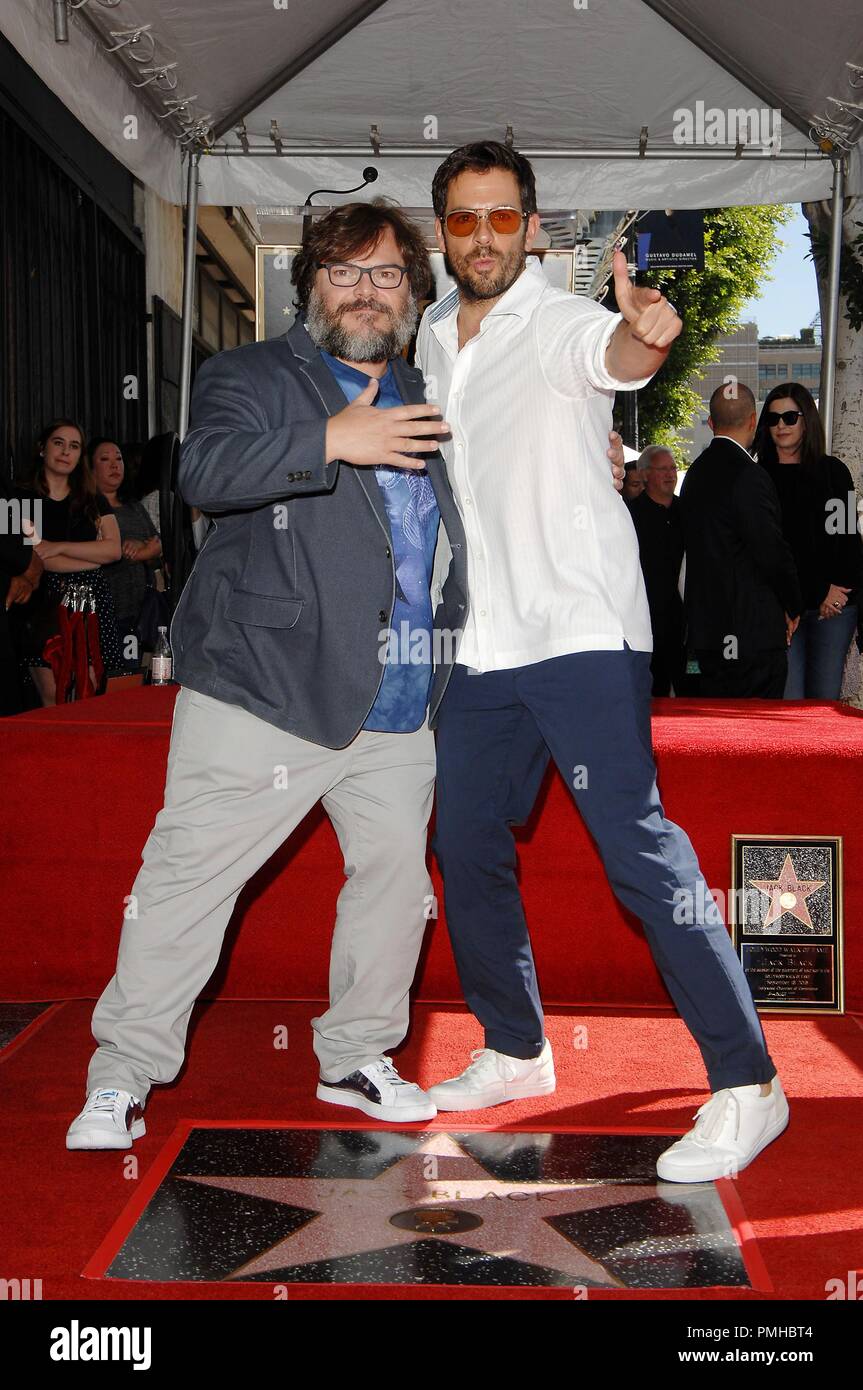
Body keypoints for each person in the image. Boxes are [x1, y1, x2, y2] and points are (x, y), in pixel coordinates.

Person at [66, 199, 627, 1151]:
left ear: (412, 293)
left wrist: (588, 464)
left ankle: (357, 1055)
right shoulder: (247, 373)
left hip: (402, 703)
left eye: (387, 276)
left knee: (393, 885)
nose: (366, 292)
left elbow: (491, 486)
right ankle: (121, 1073)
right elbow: (204, 474)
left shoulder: (427, 385)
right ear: (310, 286)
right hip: (264, 690)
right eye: (344, 273)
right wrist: (330, 439)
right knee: (186, 885)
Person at [417, 141, 790, 1184]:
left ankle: (748, 1080)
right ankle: (514, 1046)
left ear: (530, 228)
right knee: (462, 838)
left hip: (578, 630)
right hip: (483, 643)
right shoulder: (434, 336)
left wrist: (642, 338)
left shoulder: (560, 323)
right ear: (440, 229)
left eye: (501, 218)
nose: (483, 237)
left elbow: (613, 358)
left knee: (637, 851)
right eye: (461, 219)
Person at [680, 384, 802, 698]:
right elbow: (771, 550)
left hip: (705, 636)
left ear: (710, 424)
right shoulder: (750, 475)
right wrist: (792, 603)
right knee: (756, 737)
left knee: (712, 736)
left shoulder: (694, 475)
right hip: (751, 638)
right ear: (752, 421)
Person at [753, 382, 863, 699]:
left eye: (789, 417)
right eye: (773, 419)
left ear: (807, 419)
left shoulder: (833, 472)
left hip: (832, 609)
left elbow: (847, 535)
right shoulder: (759, 479)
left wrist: (839, 590)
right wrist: (784, 604)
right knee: (789, 702)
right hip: (782, 613)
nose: (781, 426)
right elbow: (763, 550)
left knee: (824, 702)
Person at [13, 420, 125, 705]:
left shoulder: (93, 498)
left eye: (74, 446)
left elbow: (113, 551)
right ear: (42, 448)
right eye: (58, 443)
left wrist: (57, 546)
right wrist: (90, 558)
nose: (66, 451)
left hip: (91, 603)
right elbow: (27, 557)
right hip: (41, 603)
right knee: (52, 697)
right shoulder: (17, 497)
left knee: (89, 693)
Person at [89, 437, 163, 677]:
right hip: (103, 614)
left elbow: (157, 548)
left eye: (118, 459)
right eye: (105, 459)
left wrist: (143, 549)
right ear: (90, 468)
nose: (114, 465)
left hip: (139, 614)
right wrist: (130, 551)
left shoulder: (134, 507)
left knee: (135, 680)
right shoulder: (87, 506)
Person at [628, 444, 687, 695]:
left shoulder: (689, 511)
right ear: (644, 475)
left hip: (686, 624)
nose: (670, 474)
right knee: (654, 689)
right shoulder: (630, 517)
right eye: (662, 469)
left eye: (672, 468)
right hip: (647, 621)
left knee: (690, 681)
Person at [1, 503, 44, 716]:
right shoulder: (29, 494)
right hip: (28, 594)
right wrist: (27, 559)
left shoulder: (20, 499)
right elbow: (40, 550)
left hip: (24, 591)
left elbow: (111, 550)